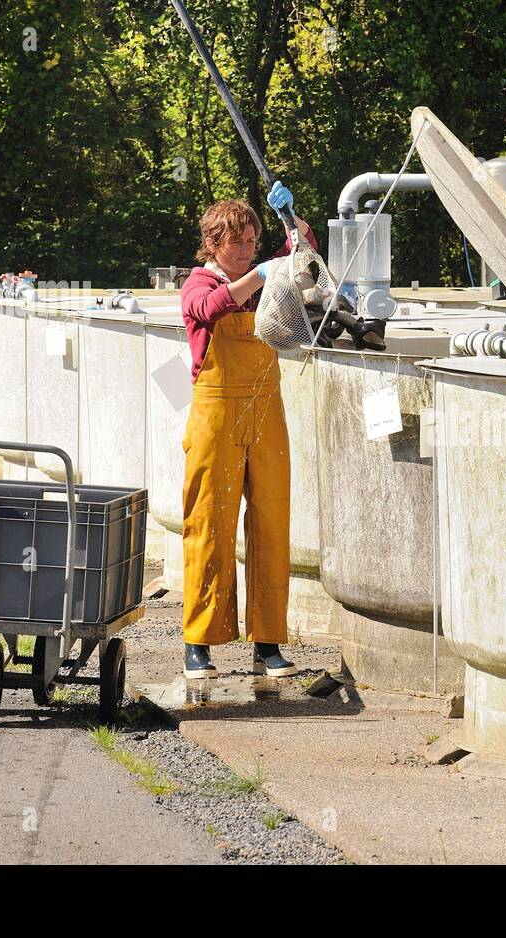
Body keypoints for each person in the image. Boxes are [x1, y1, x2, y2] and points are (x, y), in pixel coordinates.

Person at [178, 182, 315, 679]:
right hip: (215, 416)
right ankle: (199, 643)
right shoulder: (198, 283)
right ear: (212, 244)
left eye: (252, 243)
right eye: (235, 243)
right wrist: (260, 274)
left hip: (267, 411)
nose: (245, 251)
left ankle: (269, 643)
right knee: (209, 525)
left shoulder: (267, 277)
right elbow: (209, 309)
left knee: (272, 523)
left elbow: (303, 252)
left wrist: (291, 220)